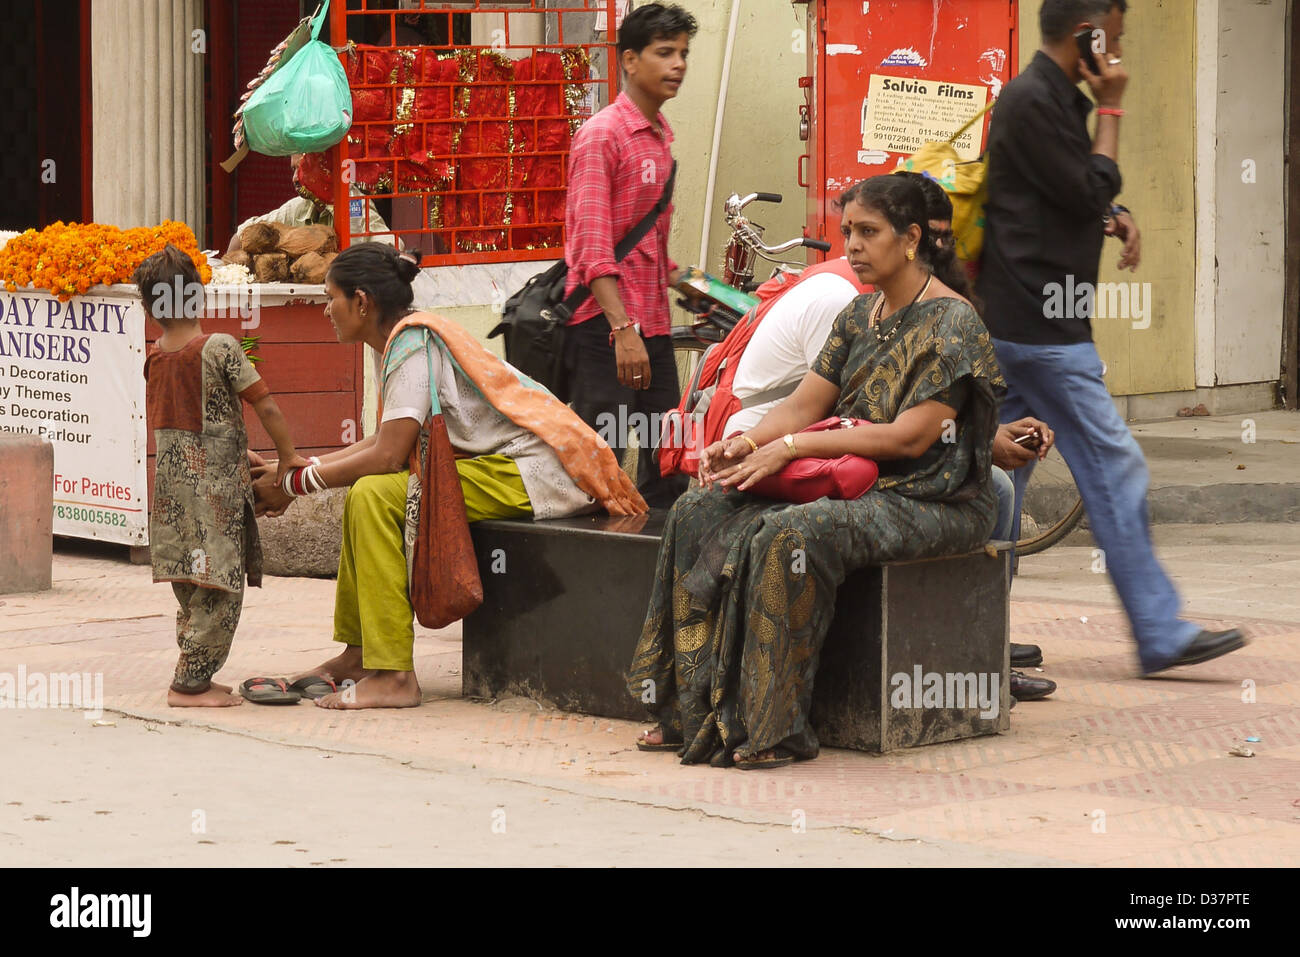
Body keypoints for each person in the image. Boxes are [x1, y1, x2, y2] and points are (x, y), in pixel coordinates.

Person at [629, 174, 1005, 769]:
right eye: (847, 231)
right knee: (698, 507)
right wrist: (744, 443)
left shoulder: (952, 322)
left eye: (868, 232)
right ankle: (690, 710)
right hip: (857, 477)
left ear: (910, 239)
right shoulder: (858, 312)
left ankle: (771, 727)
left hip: (937, 497)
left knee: (791, 534)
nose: (852, 245)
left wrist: (793, 450)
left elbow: (911, 439)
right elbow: (806, 403)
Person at [252, 243, 646, 709]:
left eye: (330, 297)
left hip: (539, 473)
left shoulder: (411, 343)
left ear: (361, 302)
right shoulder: (402, 339)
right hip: (507, 468)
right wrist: (297, 469)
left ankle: (394, 675)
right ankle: (361, 655)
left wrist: (295, 485)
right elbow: (386, 439)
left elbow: (387, 456)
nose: (324, 310)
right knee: (368, 491)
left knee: (374, 495)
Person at [976, 0, 1244, 676]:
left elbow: (1070, 192)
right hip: (1042, 330)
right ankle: (1158, 630)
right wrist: (1115, 108)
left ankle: (972, 628)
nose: (1118, 52)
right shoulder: (1034, 99)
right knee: (1115, 464)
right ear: (1087, 35)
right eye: (1114, 38)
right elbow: (1086, 182)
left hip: (1023, 323)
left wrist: (1113, 213)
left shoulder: (1053, 97)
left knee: (1000, 476)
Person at [135, 244, 307, 707]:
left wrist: (237, 446)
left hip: (172, 498)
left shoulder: (156, 356)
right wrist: (288, 457)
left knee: (191, 587)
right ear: (198, 296)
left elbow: (187, 423)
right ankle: (188, 684)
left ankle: (196, 671)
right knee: (221, 585)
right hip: (213, 497)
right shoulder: (221, 347)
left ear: (152, 308)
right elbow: (265, 404)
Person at [561, 3, 697, 507]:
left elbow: (644, 242)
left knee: (670, 458)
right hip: (605, 327)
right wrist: (623, 332)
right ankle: (595, 575)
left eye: (683, 53)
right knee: (603, 461)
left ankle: (657, 569)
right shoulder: (602, 135)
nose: (678, 64)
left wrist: (687, 282)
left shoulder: (660, 136)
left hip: (653, 326)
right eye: (665, 53)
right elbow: (592, 246)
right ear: (630, 61)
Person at [225, 153, 396, 256]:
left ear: (325, 169)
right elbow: (241, 235)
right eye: (293, 170)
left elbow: (391, 248)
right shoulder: (299, 207)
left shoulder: (354, 203)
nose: (294, 179)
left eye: (302, 170)